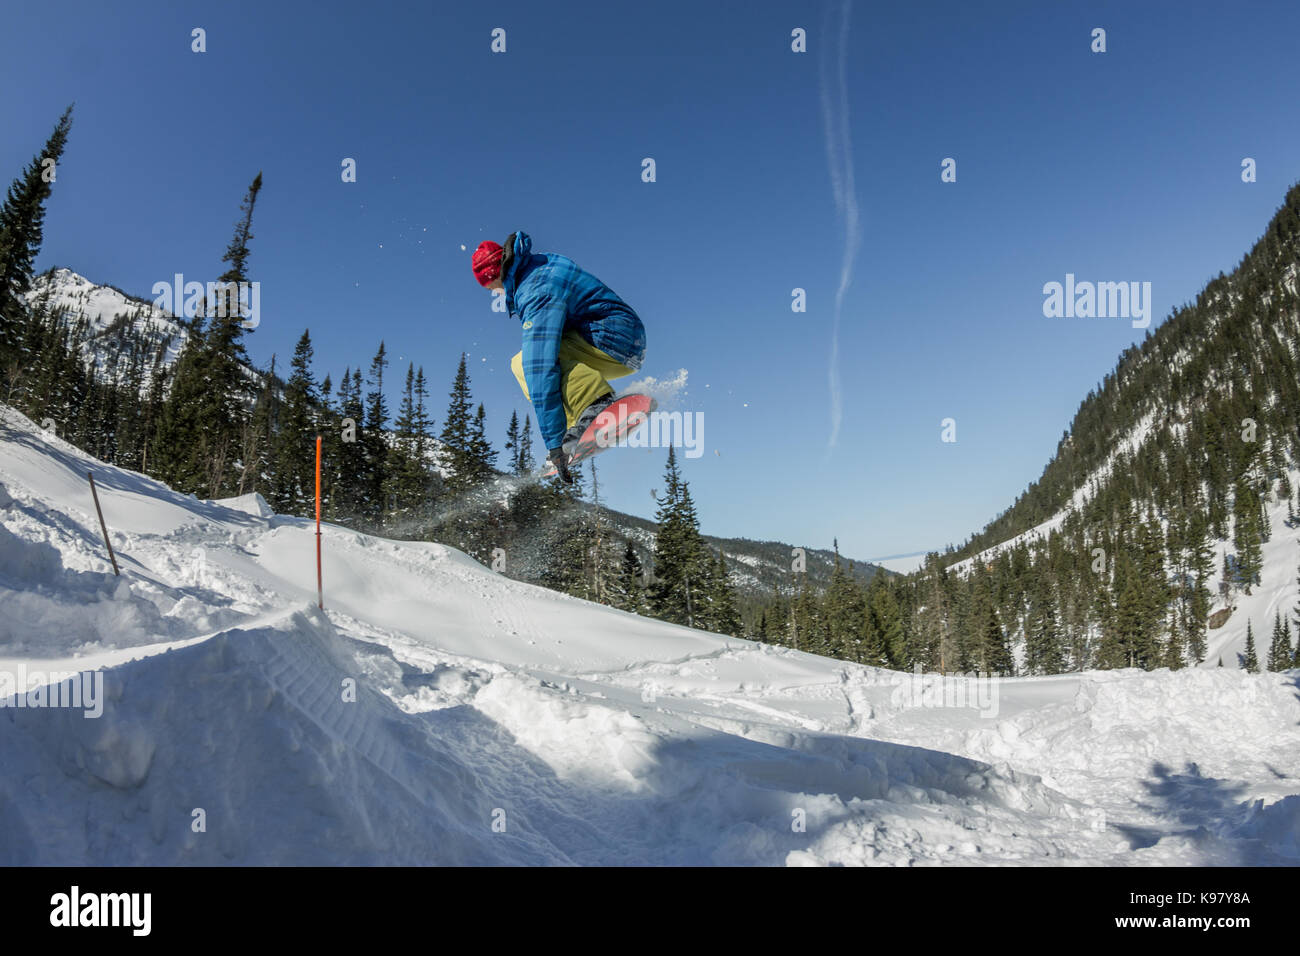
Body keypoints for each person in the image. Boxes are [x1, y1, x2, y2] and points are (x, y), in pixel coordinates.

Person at [472, 231, 646, 484]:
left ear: (496, 276)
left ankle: (595, 402)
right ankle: (579, 422)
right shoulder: (537, 265)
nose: (498, 294)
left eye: (494, 288)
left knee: (525, 364)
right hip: (624, 341)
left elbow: (540, 367)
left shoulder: (535, 289)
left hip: (614, 340)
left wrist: (554, 443)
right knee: (531, 360)